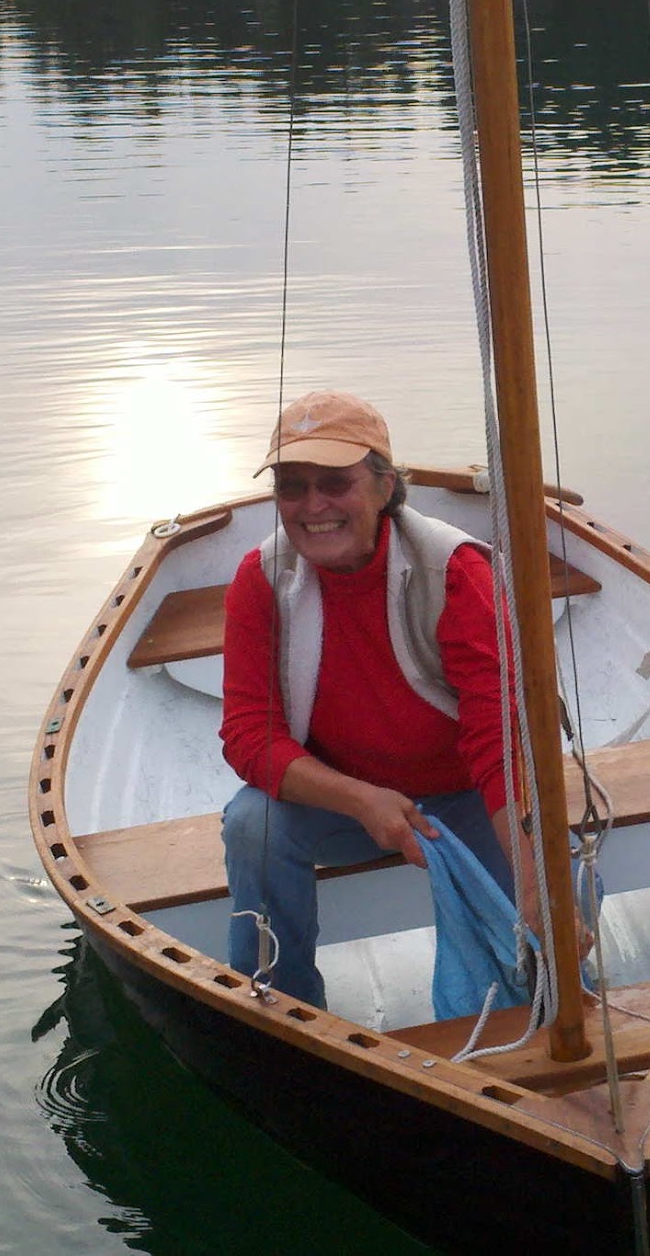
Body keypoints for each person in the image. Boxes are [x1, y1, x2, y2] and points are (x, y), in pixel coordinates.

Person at [218, 389, 537, 1009]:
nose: (313, 507)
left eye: (335, 483)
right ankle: (282, 1005)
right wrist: (363, 800)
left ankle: (526, 1002)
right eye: (291, 486)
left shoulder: (455, 572)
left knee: (546, 913)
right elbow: (250, 735)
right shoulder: (261, 580)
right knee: (250, 824)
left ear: (386, 487)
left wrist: (534, 881)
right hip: (345, 801)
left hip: (468, 795)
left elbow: (497, 736)